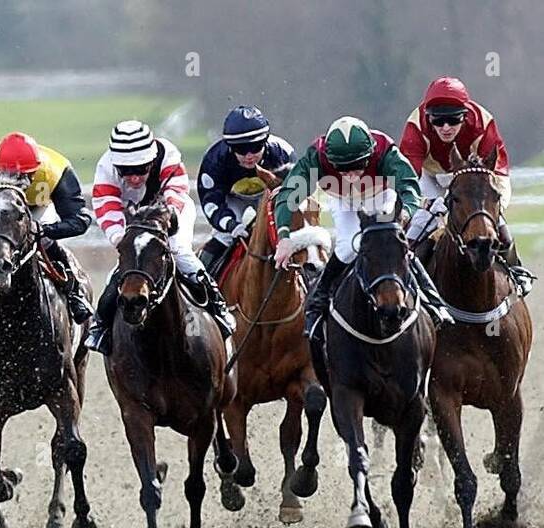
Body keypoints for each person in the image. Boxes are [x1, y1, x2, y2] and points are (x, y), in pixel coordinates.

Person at [273, 116, 452, 340]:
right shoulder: (316, 157)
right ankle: (318, 301)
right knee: (349, 246)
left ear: (370, 154)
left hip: (379, 196)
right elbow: (287, 196)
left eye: (357, 167)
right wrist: (284, 237)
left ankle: (432, 300)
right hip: (342, 200)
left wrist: (405, 214)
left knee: (390, 244)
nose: (350, 176)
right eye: (342, 169)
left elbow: (409, 186)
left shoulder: (385, 149)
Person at [85, 120, 235, 354]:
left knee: (179, 253)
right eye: (126, 172)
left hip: (171, 213)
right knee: (123, 269)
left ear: (152, 160)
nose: (134, 178)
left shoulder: (167, 154)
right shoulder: (106, 167)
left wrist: (163, 223)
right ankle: (100, 326)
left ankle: (218, 308)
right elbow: (107, 207)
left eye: (141, 169)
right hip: (131, 219)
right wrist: (121, 241)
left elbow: (175, 193)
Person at [400, 76, 531, 294]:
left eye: (453, 120)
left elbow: (498, 174)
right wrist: (421, 206)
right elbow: (408, 179)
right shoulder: (416, 127)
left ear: (466, 115)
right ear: (427, 117)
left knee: (497, 225)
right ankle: (407, 279)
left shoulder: (483, 124)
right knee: (423, 224)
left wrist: (494, 207)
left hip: (473, 181)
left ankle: (516, 271)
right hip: (431, 178)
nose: (445, 127)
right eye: (437, 121)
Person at [0, 131, 93, 323]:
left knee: (47, 243)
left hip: (37, 211)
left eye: (24, 176)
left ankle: (74, 294)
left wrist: (44, 230)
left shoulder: (56, 170)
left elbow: (80, 219)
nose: (16, 180)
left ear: (35, 171)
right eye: (8, 174)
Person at [196, 105, 296, 277]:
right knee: (224, 237)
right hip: (233, 198)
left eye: (256, 147)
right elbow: (212, 202)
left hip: (269, 197)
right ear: (229, 146)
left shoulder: (283, 154)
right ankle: (201, 283)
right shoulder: (214, 161)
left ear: (265, 141)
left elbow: (296, 197)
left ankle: (313, 285)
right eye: (241, 149)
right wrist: (229, 224)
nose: (249, 155)